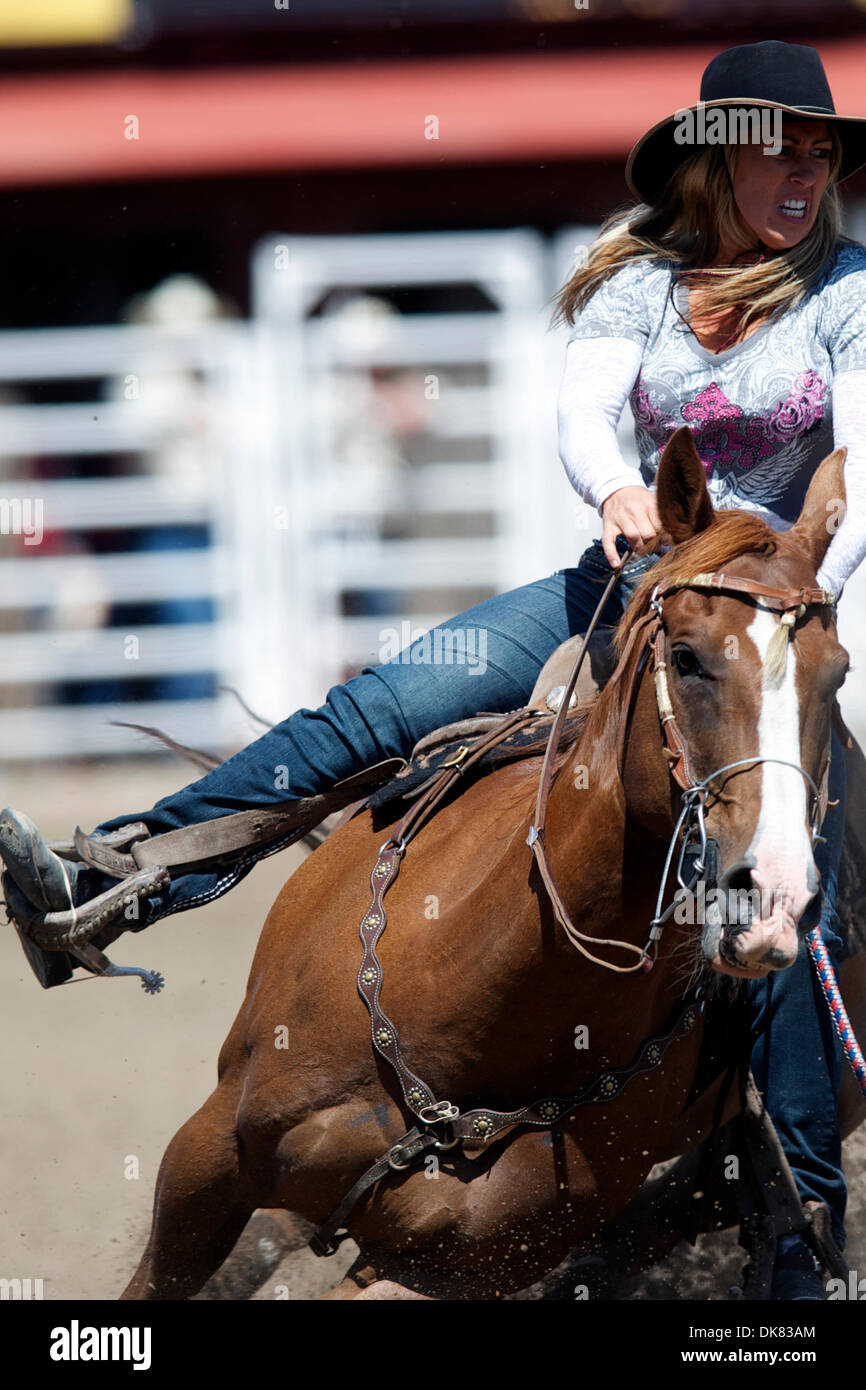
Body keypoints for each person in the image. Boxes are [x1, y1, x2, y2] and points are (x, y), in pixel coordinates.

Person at [3, 39, 866, 1300]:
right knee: (395, 702)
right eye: (774, 146)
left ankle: (796, 1249)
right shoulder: (640, 278)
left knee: (805, 900)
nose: (800, 170)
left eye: (818, 149)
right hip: (625, 585)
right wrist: (624, 490)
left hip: (780, 621)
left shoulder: (845, 288)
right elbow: (585, 409)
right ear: (716, 160)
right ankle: (125, 877)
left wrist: (799, 609)